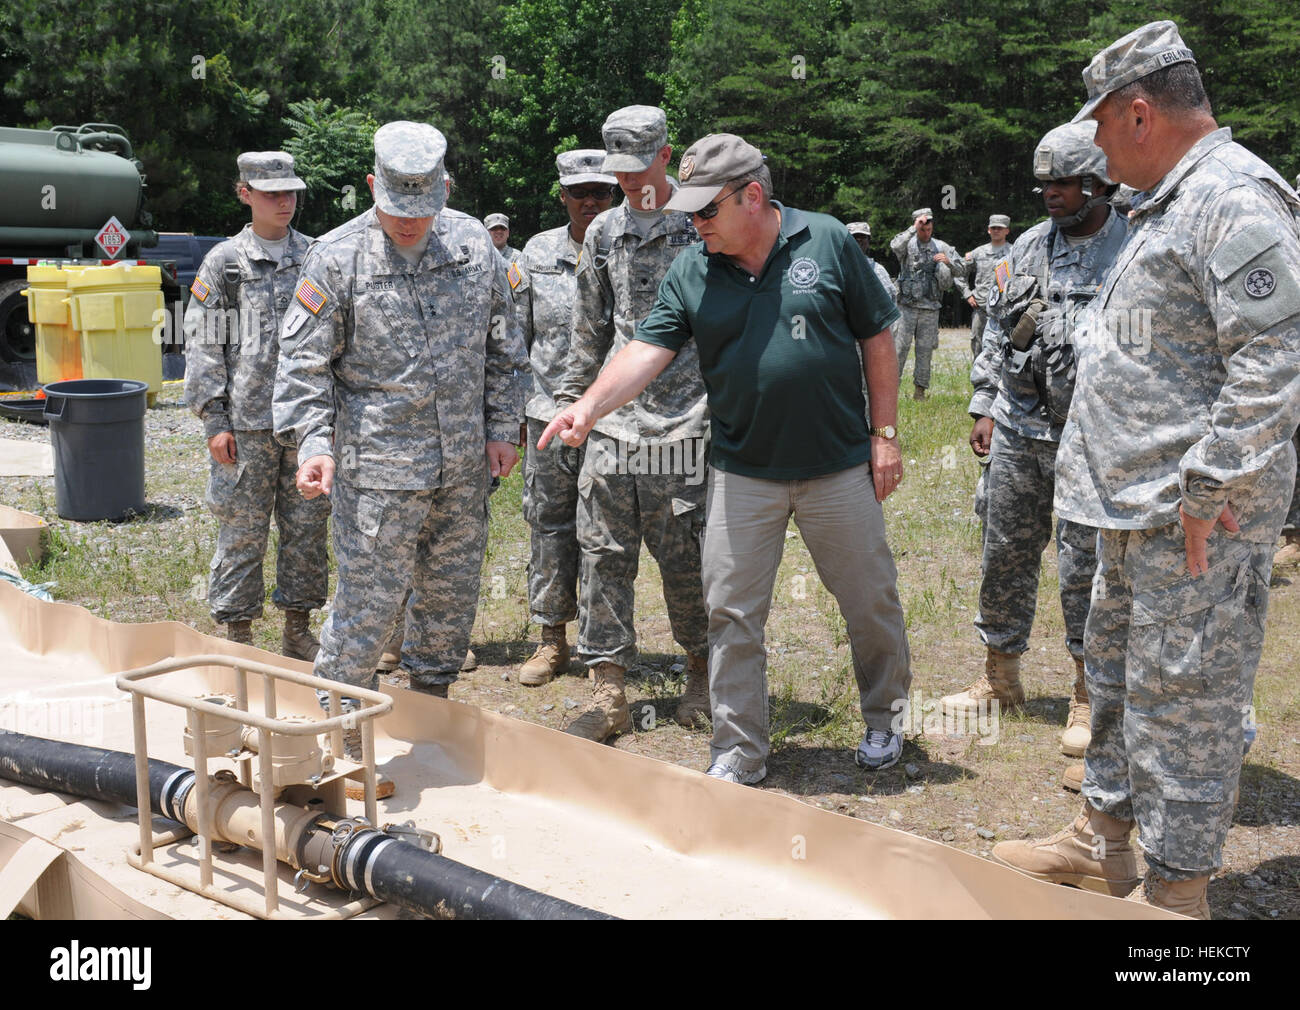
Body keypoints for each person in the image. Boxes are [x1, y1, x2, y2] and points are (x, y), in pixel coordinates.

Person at [991, 22, 1300, 918]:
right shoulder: (1172, 199)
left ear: (1138, 111)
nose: (1092, 150)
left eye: (1099, 128)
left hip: (1192, 518)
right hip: (1133, 509)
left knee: (1188, 706)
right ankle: (1102, 844)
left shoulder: (1233, 197)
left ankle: (1176, 896)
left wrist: (1209, 489)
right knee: (1123, 685)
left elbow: (1277, 356)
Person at [541, 134, 912, 784]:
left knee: (868, 600)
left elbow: (876, 332)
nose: (694, 224)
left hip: (835, 466)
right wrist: (589, 406)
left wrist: (884, 432)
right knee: (732, 612)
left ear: (754, 197)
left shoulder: (825, 243)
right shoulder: (695, 267)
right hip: (741, 471)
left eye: (707, 211)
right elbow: (645, 349)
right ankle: (740, 750)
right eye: (689, 211)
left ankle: (884, 718)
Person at [273, 121, 528, 737]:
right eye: (396, 209)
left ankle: (429, 716)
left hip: (463, 471)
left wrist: (502, 426)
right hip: (377, 478)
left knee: (448, 599)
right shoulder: (335, 258)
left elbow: (505, 342)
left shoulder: (472, 244)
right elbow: (303, 364)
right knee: (367, 611)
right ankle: (340, 737)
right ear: (371, 186)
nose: (409, 223)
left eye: (423, 207)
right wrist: (313, 442)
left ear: (444, 186)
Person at [947, 121, 1128, 772]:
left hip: (1095, 430)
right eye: (1044, 183)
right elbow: (1001, 330)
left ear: (1097, 182)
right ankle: (1000, 676)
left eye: (1063, 182)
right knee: (1006, 549)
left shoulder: (1133, 243)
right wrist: (985, 404)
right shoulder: (1025, 248)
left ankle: (1085, 694)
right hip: (1024, 426)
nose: (1050, 193)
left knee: (1086, 567)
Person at [553, 105, 711, 742]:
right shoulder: (603, 232)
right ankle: (608, 689)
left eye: (636, 167)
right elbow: (589, 329)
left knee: (688, 558)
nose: (623, 181)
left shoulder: (702, 224)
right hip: (616, 425)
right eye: (615, 169)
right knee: (602, 555)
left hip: (688, 422)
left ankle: (701, 669)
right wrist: (573, 404)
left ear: (666, 156)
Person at [184, 151, 329, 659]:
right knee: (243, 532)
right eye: (272, 194)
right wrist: (214, 419)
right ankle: (239, 637)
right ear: (245, 194)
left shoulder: (317, 256)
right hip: (245, 426)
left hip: (306, 422)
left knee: (307, 530)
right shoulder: (226, 263)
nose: (285, 202)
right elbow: (204, 343)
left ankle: (298, 628)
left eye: (291, 193)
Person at [513, 149, 617, 685]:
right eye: (580, 192)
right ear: (563, 196)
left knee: (605, 535)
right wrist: (512, 418)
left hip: (615, 421)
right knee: (549, 526)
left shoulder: (626, 248)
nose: (591, 201)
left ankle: (605, 647)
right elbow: (514, 339)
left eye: (601, 191)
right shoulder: (536, 253)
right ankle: (551, 639)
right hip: (548, 418)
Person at [890, 208, 968, 400]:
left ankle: (920, 392)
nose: (926, 233)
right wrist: (912, 228)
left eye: (929, 229)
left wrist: (948, 262)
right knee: (899, 350)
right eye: (922, 229)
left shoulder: (941, 246)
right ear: (916, 226)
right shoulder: (907, 245)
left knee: (924, 352)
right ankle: (891, 391)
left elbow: (962, 269)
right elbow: (894, 246)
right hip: (906, 307)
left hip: (930, 309)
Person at [963, 214, 1011, 357]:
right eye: (993, 228)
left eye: (1000, 228)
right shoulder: (977, 253)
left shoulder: (1014, 252)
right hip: (981, 307)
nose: (996, 230)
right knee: (977, 346)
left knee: (1004, 346)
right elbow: (959, 273)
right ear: (988, 230)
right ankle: (979, 378)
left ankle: (1001, 379)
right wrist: (967, 294)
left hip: (1005, 309)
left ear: (1007, 231)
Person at [846, 221, 897, 298]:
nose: (859, 240)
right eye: (854, 237)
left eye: (863, 236)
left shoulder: (878, 270)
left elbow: (889, 300)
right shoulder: (837, 269)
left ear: (868, 240)